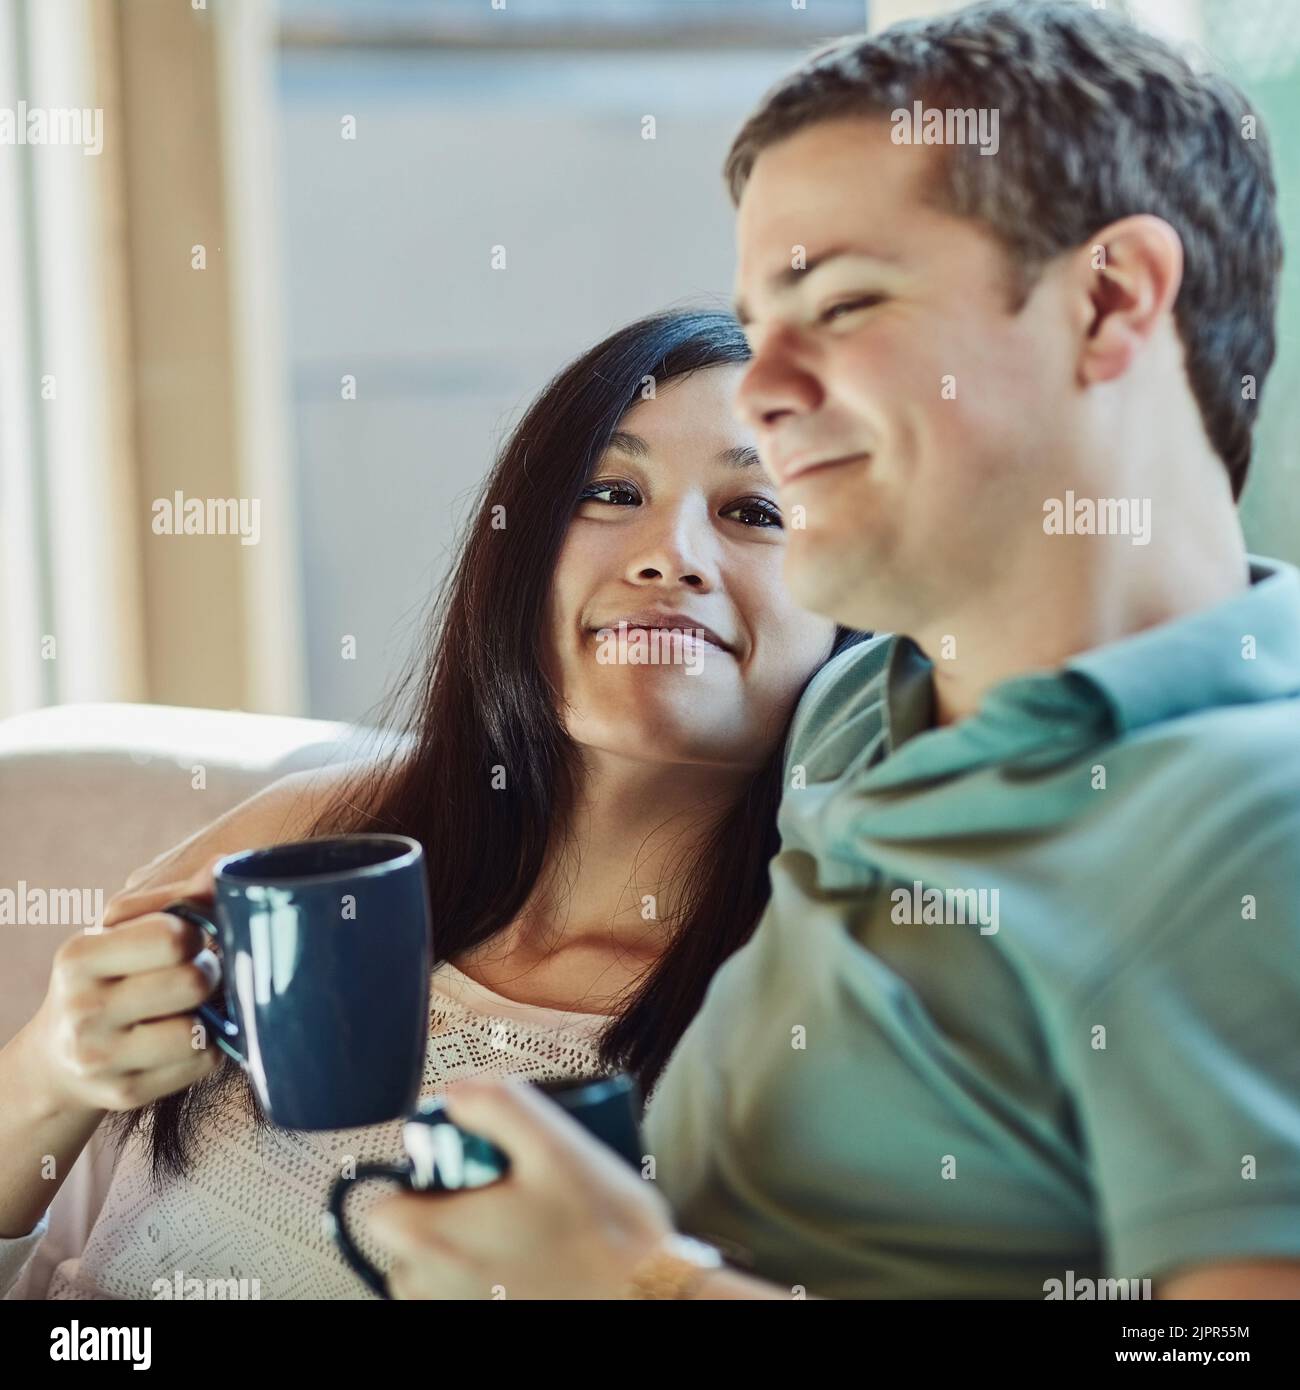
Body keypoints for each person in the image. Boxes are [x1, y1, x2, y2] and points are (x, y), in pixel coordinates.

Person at [355, 1, 1300, 1300]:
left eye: (842, 301)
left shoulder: (1252, 828)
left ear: (1110, 299)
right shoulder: (864, 707)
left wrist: (636, 1285)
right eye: (760, 315)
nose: (759, 384)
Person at [0, 310, 862, 1299]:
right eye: (611, 492)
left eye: (755, 512)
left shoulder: (851, 1004)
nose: (668, 554)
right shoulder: (311, 839)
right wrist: (44, 1075)